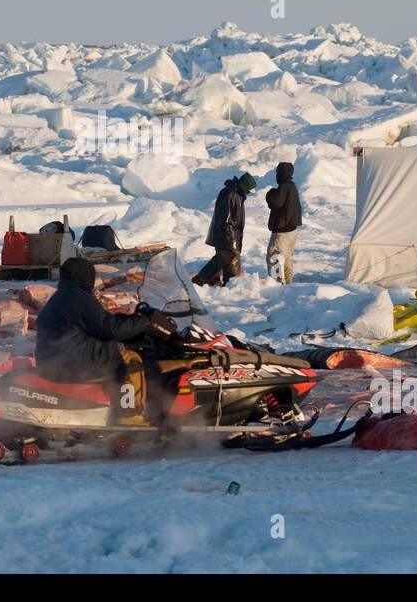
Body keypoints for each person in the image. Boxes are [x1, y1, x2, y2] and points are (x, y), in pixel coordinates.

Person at [35, 258, 175, 426]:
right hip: (74, 362)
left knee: (115, 350)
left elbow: (98, 322)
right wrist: (146, 321)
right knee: (131, 358)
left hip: (55, 360)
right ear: (85, 277)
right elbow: (111, 329)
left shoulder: (62, 296)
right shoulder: (78, 298)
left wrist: (126, 319)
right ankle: (130, 415)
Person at [193, 172, 256, 287]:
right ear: (245, 186)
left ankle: (198, 281)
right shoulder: (231, 194)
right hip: (227, 237)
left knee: (219, 261)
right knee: (232, 263)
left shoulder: (234, 193)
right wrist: (231, 240)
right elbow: (225, 219)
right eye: (249, 190)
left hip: (226, 236)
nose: (249, 193)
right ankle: (231, 288)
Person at [265, 162, 303, 284]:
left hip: (283, 231)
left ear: (281, 173)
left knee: (273, 255)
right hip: (292, 230)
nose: (276, 175)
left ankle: (277, 283)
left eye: (277, 172)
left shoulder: (284, 186)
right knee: (286, 257)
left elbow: (276, 203)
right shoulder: (292, 186)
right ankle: (288, 283)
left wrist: (270, 194)